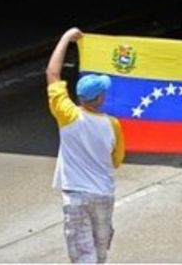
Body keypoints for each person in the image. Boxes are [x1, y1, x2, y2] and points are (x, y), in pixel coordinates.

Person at [47, 27, 125, 263]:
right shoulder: (113, 125)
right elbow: (117, 160)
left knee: (82, 255)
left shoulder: (67, 115)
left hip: (75, 195)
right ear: (100, 98)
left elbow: (52, 73)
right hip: (102, 193)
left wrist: (66, 37)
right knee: (100, 253)